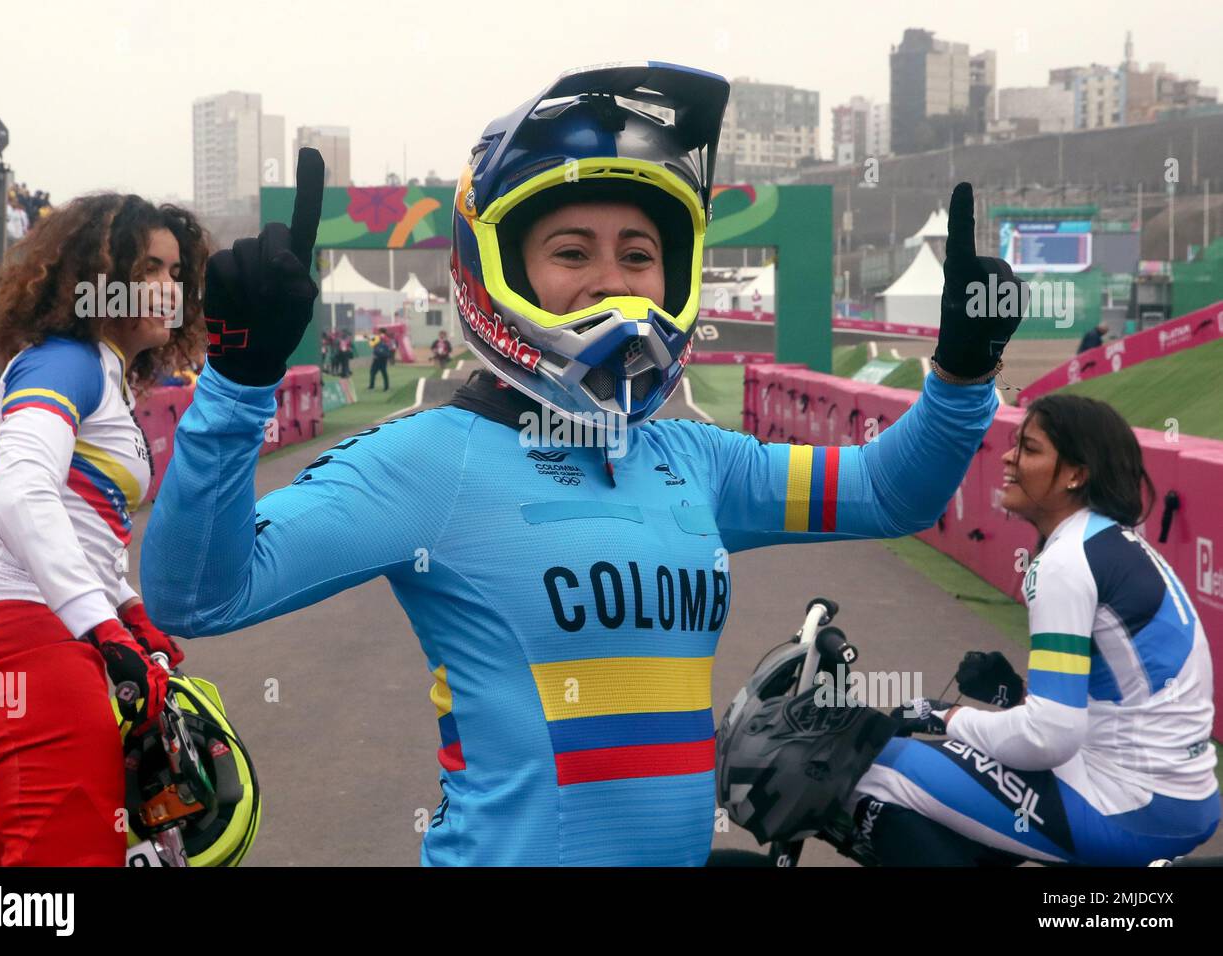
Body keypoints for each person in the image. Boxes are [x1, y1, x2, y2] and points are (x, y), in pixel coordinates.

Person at [141, 64, 1022, 866]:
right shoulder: (431, 460)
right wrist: (237, 383)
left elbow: (889, 492)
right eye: (572, 251)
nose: (613, 280)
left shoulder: (695, 458)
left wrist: (963, 374)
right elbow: (200, 595)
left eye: (639, 254)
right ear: (497, 266)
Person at [0, 193, 207, 866]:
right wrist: (100, 625)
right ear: (96, 279)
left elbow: (84, 528)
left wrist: (127, 609)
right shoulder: (67, 362)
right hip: (28, 644)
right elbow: (20, 496)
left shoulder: (102, 372)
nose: (170, 289)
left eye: (176, 273)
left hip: (28, 640)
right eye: (149, 269)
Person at [851, 393, 1219, 866]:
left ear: (1075, 474)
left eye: (1029, 448)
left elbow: (1050, 736)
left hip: (1131, 806)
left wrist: (946, 718)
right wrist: (1017, 696)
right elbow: (1110, 706)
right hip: (1177, 796)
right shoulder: (1108, 540)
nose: (1007, 457)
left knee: (872, 770)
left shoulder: (1065, 562)